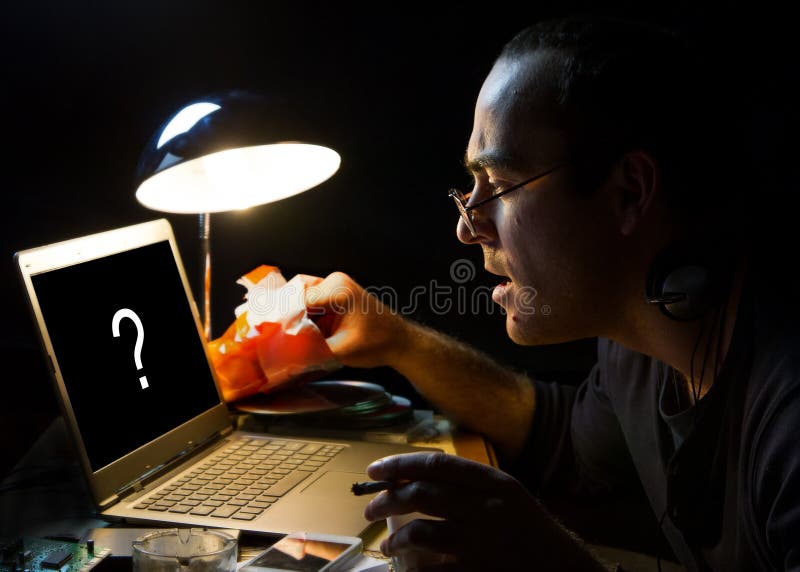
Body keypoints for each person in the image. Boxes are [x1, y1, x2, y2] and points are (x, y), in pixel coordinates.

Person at [303, 16, 799, 571]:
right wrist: (397, 341)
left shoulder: (787, 415)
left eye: (501, 185)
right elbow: (561, 441)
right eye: (472, 188)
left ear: (629, 192)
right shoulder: (645, 337)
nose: (469, 227)